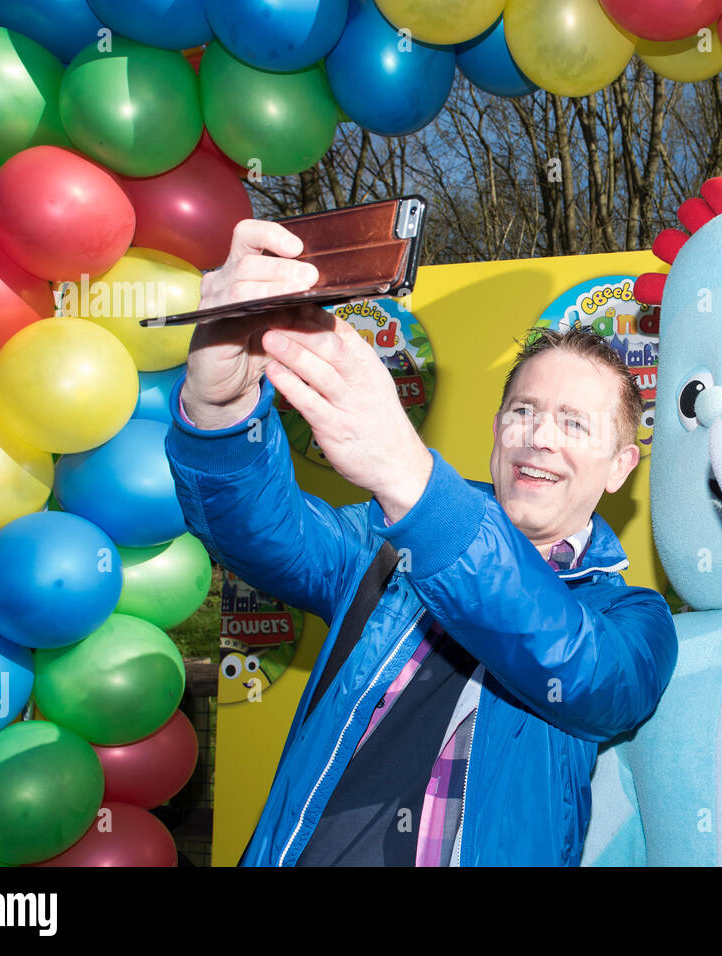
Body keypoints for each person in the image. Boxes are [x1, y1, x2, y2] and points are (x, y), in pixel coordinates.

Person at [164, 219, 678, 866]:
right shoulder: (383, 545)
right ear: (496, 431)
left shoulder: (631, 619)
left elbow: (578, 670)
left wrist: (411, 479)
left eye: (574, 423)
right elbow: (258, 530)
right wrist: (220, 411)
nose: (539, 437)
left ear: (621, 467)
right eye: (523, 411)